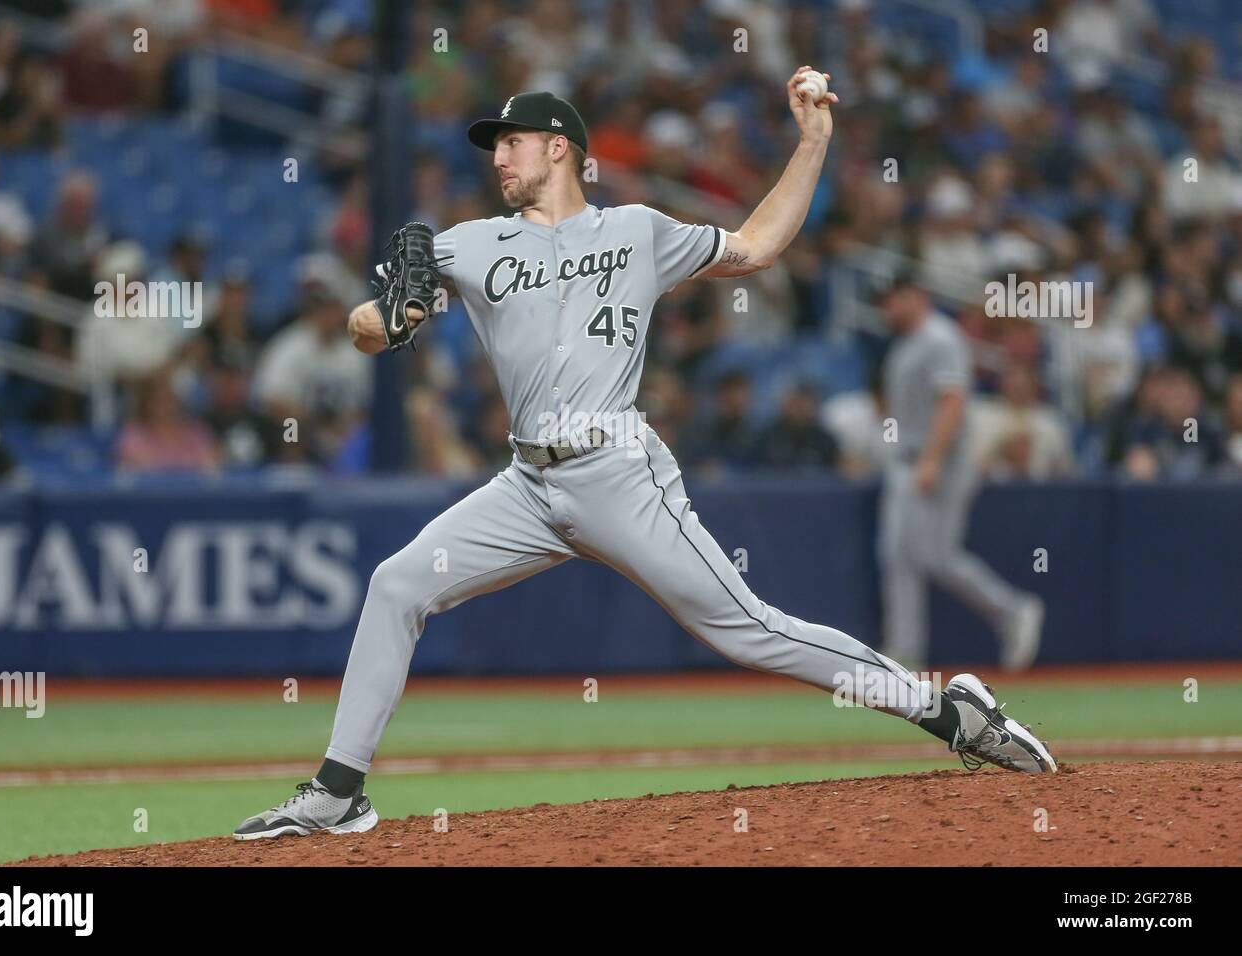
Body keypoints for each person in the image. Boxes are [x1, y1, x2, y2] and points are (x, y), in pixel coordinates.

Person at [235, 78, 1057, 841]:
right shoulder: (470, 244)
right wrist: (396, 314)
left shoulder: (637, 230)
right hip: (526, 483)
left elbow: (759, 245)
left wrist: (810, 144)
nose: (497, 157)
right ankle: (341, 793)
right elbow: (363, 327)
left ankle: (948, 710)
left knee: (750, 632)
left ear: (559, 147)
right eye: (493, 146)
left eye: (512, 141)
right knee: (396, 583)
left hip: (618, 469)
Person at [875, 274, 1045, 674]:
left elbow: (951, 402)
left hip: (941, 462)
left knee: (936, 556)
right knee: (898, 558)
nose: (886, 308)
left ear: (915, 295)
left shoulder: (940, 338)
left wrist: (931, 459)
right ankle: (904, 654)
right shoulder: (907, 344)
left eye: (892, 298)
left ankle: (1013, 608)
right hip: (909, 460)